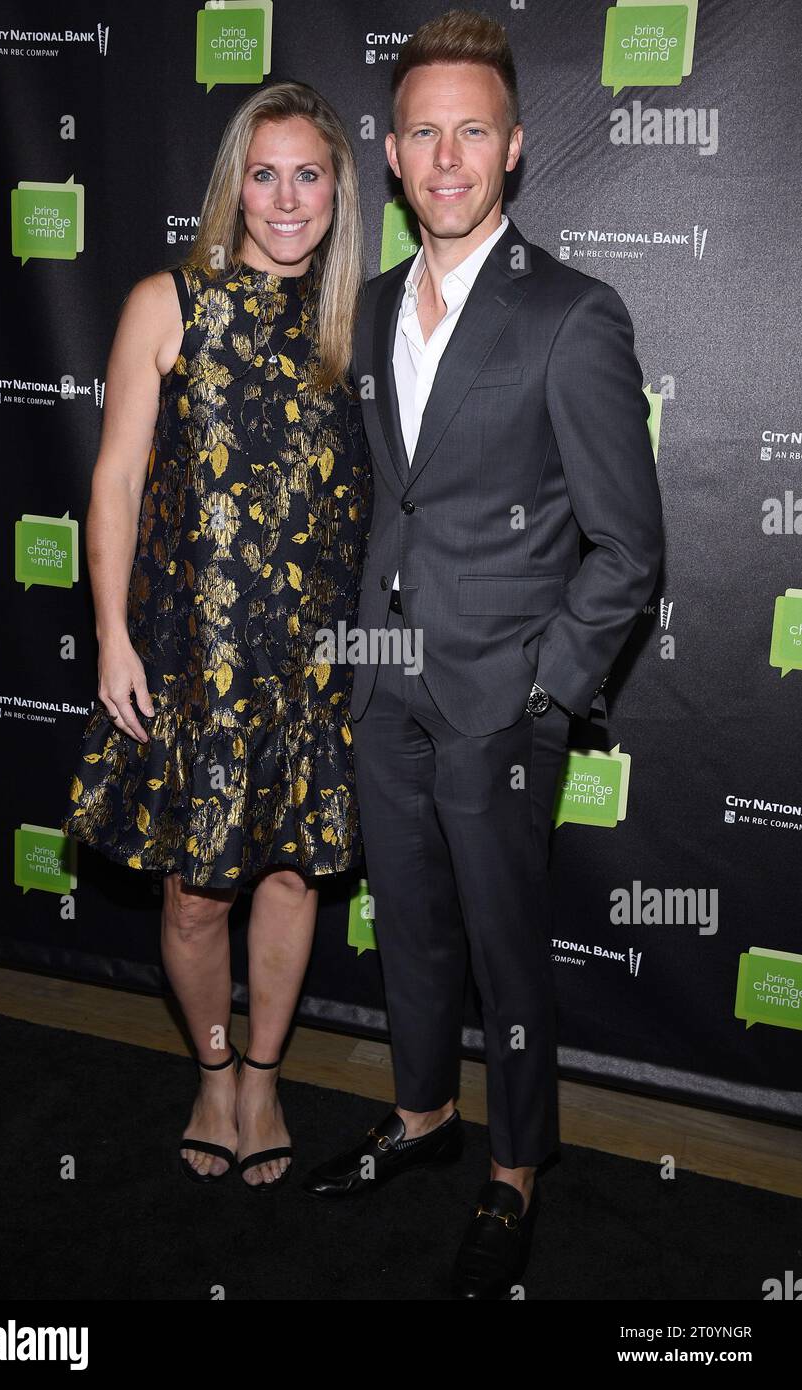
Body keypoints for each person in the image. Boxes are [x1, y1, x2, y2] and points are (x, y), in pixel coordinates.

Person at [302, 9, 664, 1298]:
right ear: (390, 157)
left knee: (508, 946)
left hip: (500, 706)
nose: (445, 158)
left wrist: (542, 694)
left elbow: (628, 548)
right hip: (384, 686)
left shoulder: (573, 314)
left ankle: (513, 1170)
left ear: (511, 150)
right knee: (407, 925)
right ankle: (418, 1116)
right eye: (421, 133)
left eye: (471, 132)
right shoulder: (371, 306)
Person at [61, 81, 371, 1191]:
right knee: (196, 893)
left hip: (311, 671)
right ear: (233, 183)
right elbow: (115, 482)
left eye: (309, 174)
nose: (285, 199)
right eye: (264, 172)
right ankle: (212, 1064)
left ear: (338, 191)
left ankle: (266, 1077)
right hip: (192, 663)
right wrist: (110, 636)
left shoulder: (358, 327)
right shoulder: (169, 303)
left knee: (288, 881)